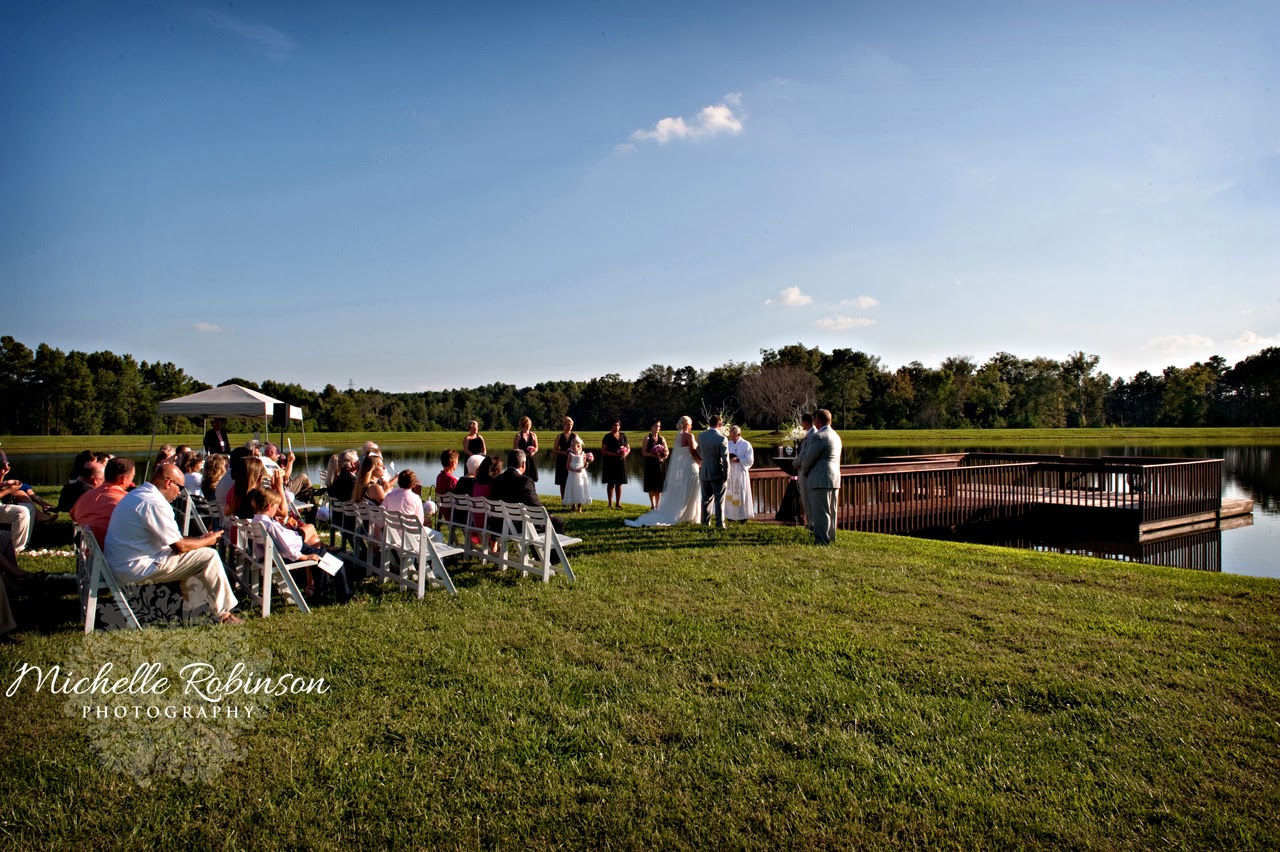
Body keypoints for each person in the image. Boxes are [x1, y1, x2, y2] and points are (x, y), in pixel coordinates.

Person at [104, 463, 240, 624]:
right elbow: (179, 546)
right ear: (169, 482)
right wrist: (208, 541)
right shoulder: (155, 503)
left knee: (196, 555)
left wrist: (199, 540)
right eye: (180, 487)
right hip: (135, 568)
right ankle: (224, 615)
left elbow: (173, 540)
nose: (180, 493)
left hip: (122, 563)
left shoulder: (138, 494)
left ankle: (194, 609)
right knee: (209, 556)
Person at [624, 416, 702, 526]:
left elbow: (673, 452)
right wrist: (700, 462)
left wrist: (663, 454)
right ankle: (690, 514)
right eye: (690, 424)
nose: (692, 426)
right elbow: (693, 452)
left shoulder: (678, 436)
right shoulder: (689, 436)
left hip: (683, 466)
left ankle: (685, 512)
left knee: (684, 489)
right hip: (690, 465)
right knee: (691, 489)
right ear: (687, 425)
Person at [490, 449, 567, 536]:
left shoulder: (497, 480)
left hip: (501, 525)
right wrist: (549, 516)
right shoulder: (525, 481)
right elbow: (536, 506)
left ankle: (538, 548)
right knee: (558, 522)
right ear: (523, 464)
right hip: (520, 525)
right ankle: (551, 549)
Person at [796, 409, 843, 545]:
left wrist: (803, 471)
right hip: (834, 478)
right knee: (832, 511)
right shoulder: (836, 436)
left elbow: (809, 458)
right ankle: (831, 537)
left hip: (820, 478)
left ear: (818, 420)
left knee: (821, 512)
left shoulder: (819, 436)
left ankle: (822, 540)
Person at [71, 457, 136, 546]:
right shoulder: (128, 501)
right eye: (132, 477)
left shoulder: (85, 497)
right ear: (124, 479)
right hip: (117, 553)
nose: (132, 482)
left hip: (89, 553)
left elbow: (73, 516)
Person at [695, 415, 731, 530]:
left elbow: (698, 451)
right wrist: (726, 475)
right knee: (719, 500)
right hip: (717, 472)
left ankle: (705, 523)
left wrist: (705, 461)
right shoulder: (722, 439)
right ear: (720, 425)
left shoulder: (701, 436)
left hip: (704, 471)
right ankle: (720, 524)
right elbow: (725, 459)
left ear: (709, 423)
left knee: (705, 499)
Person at [725, 425, 756, 523]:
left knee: (741, 493)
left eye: (735, 436)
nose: (733, 438)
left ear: (739, 434)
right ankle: (730, 516)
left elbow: (750, 460)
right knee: (729, 493)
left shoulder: (746, 444)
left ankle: (742, 516)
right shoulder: (728, 444)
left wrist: (739, 459)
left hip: (740, 471)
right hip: (730, 471)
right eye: (731, 436)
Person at [600, 420, 629, 508]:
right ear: (611, 427)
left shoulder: (623, 435)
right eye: (614, 425)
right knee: (611, 483)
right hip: (610, 462)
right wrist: (614, 454)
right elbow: (603, 450)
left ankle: (618, 503)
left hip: (621, 461)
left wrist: (625, 454)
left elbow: (628, 448)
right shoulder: (607, 436)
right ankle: (610, 503)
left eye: (618, 425)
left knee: (619, 483)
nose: (616, 427)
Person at [795, 412, 816, 527]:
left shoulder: (813, 434)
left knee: (808, 498)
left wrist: (797, 463)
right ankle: (810, 521)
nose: (801, 424)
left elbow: (807, 453)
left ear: (806, 422)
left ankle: (811, 522)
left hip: (806, 471)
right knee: (805, 497)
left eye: (802, 422)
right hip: (803, 469)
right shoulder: (808, 434)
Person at [642, 420, 668, 509]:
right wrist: (653, 454)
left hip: (660, 464)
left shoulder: (662, 439)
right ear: (651, 427)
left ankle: (658, 505)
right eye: (656, 426)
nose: (657, 428)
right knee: (652, 486)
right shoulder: (647, 439)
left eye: (659, 426)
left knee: (659, 486)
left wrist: (664, 455)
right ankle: (652, 505)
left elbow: (667, 450)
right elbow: (644, 453)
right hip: (651, 464)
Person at [563, 438, 592, 512]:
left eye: (574, 445)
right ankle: (573, 506)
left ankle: (580, 507)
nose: (572, 447)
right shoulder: (570, 454)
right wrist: (575, 470)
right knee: (573, 488)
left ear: (578, 446)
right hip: (573, 474)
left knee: (580, 488)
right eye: (571, 445)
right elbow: (567, 466)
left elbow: (585, 465)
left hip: (581, 474)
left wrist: (587, 463)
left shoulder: (582, 454)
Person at [553, 417, 579, 500]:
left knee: (572, 480)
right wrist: (563, 452)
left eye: (571, 424)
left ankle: (571, 498)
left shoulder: (574, 436)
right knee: (562, 481)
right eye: (568, 424)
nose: (570, 426)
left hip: (572, 460)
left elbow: (579, 447)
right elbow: (555, 450)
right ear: (564, 425)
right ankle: (564, 498)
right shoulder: (559, 436)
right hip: (562, 460)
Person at [436, 450, 460, 522]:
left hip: (444, 510)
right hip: (452, 513)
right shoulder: (451, 479)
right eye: (457, 462)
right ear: (453, 463)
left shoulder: (439, 476)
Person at [513, 417, 540, 482]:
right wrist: (523, 454)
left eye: (530, 424)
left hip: (530, 458)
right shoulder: (518, 435)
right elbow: (515, 449)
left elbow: (536, 447)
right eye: (527, 424)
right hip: (522, 459)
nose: (528, 426)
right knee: (522, 477)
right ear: (523, 424)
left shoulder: (533, 435)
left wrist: (532, 453)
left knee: (531, 478)